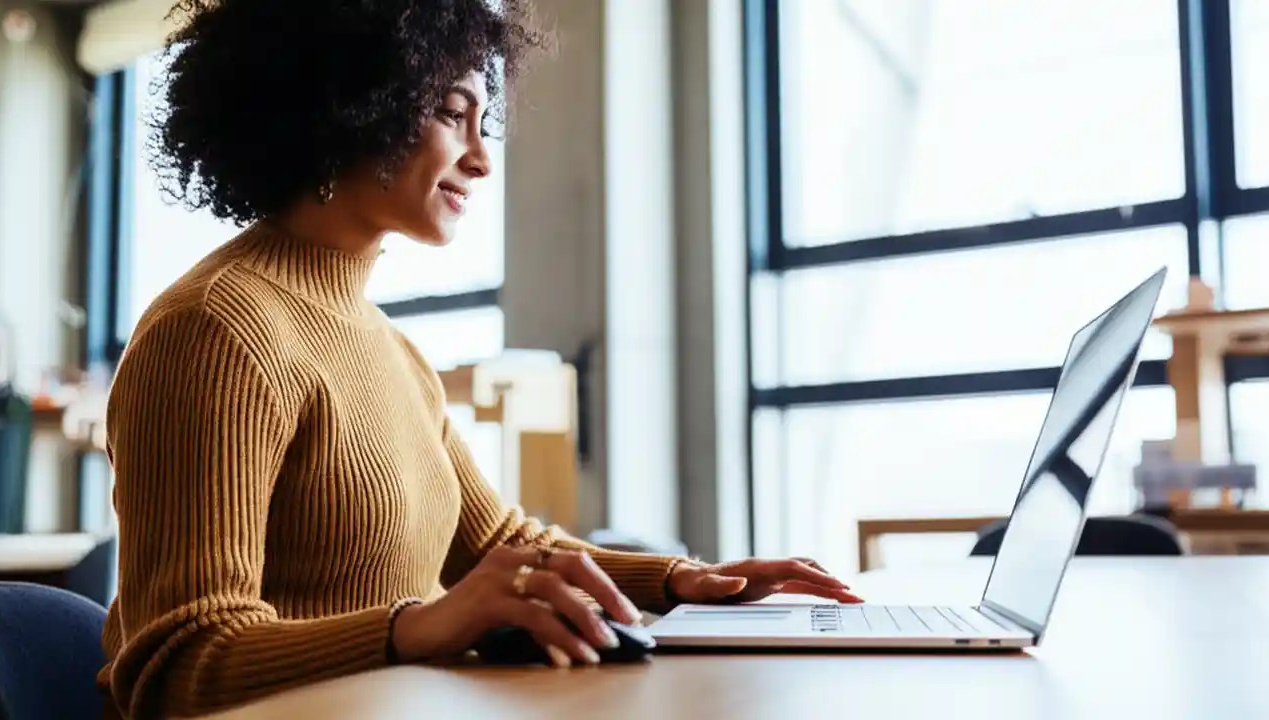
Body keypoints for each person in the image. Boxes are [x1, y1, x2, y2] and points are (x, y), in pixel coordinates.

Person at [98, 1, 862, 717]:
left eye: (482, 121)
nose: (482, 160)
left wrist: (685, 581)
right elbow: (174, 665)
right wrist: (412, 630)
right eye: (451, 115)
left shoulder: (384, 344)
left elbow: (499, 545)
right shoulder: (215, 330)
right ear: (347, 107)